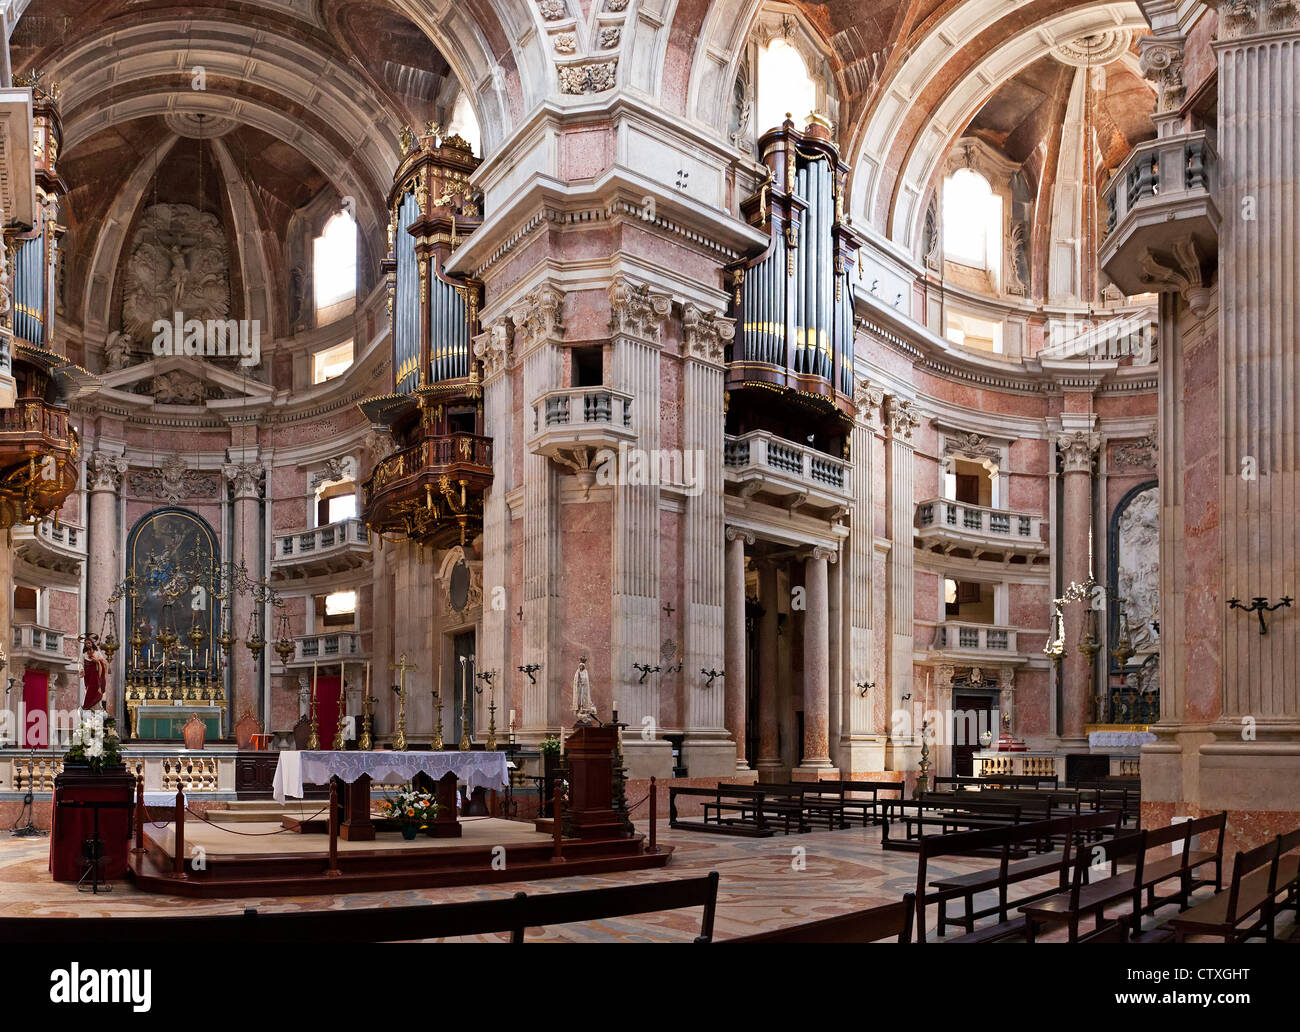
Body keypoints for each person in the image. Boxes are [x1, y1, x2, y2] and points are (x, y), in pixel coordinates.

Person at [81, 634, 109, 712]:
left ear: (92, 643)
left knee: (95, 688)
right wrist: (81, 670)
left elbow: (103, 662)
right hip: (87, 674)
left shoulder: (97, 652)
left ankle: (92, 706)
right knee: (88, 689)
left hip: (95, 673)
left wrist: (96, 661)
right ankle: (88, 706)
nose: (88, 645)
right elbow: (80, 663)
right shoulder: (84, 654)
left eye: (89, 643)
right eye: (86, 644)